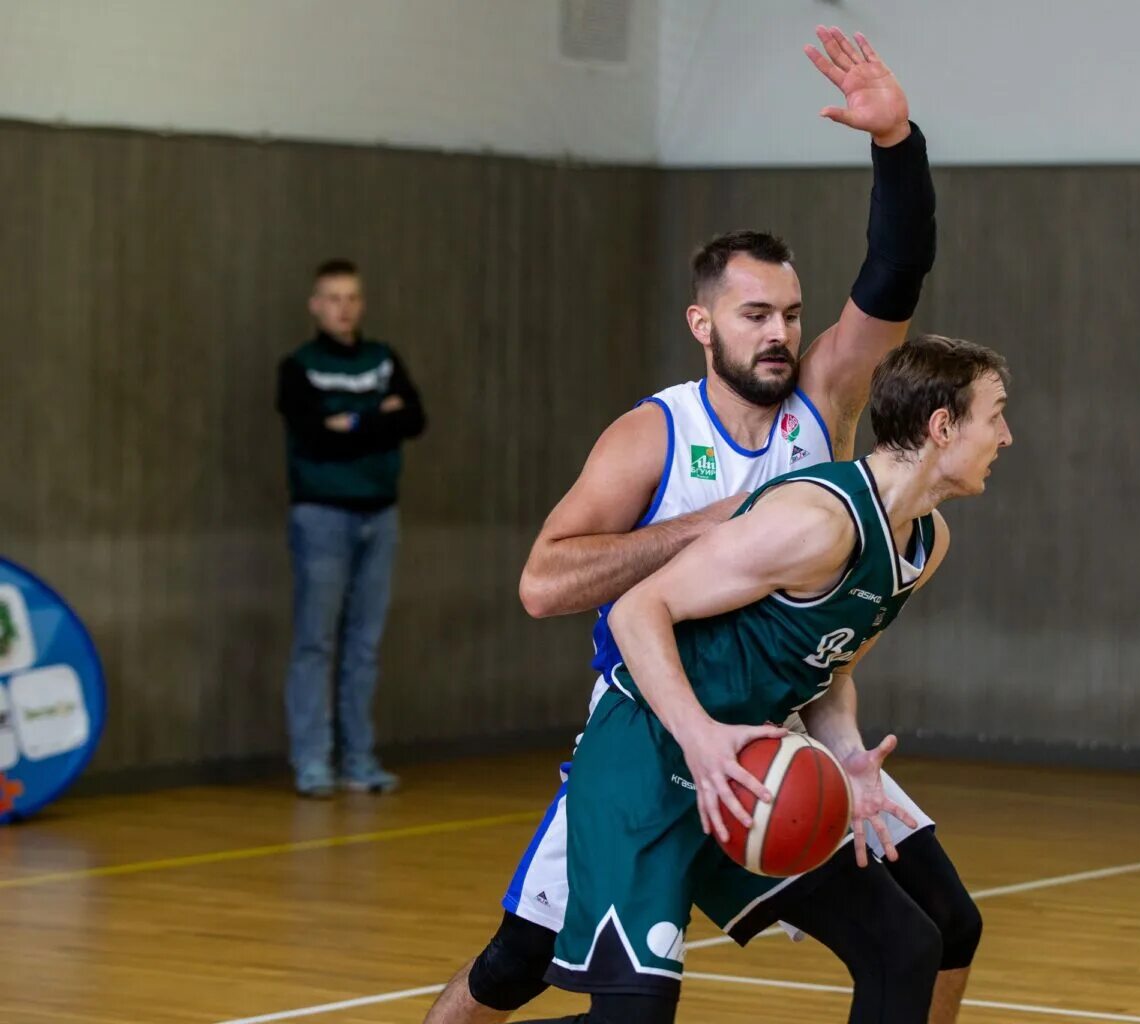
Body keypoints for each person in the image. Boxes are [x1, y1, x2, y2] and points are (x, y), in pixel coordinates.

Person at [424, 26, 981, 1024]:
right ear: (704, 325)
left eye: (790, 313)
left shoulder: (822, 404)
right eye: (754, 314)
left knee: (939, 919)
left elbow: (893, 278)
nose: (779, 332)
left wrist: (896, 142)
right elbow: (543, 584)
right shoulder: (654, 436)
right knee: (516, 963)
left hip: (780, 723)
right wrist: (709, 524)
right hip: (654, 719)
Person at [525, 334, 1011, 1024]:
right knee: (631, 1018)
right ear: (942, 427)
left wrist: (847, 751)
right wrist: (699, 737)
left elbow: (826, 668)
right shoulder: (815, 523)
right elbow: (639, 611)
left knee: (905, 946)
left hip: (746, 768)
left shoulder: (923, 544)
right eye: (995, 415)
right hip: (648, 755)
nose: (1006, 435)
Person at [276, 258, 426, 798]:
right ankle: (312, 760)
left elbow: (413, 419)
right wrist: (375, 419)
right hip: (321, 516)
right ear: (316, 305)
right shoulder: (299, 367)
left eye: (352, 298)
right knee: (316, 641)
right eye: (333, 298)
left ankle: (357, 758)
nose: (343, 308)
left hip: (380, 514)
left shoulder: (383, 359)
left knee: (364, 643)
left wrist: (352, 421)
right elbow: (315, 438)